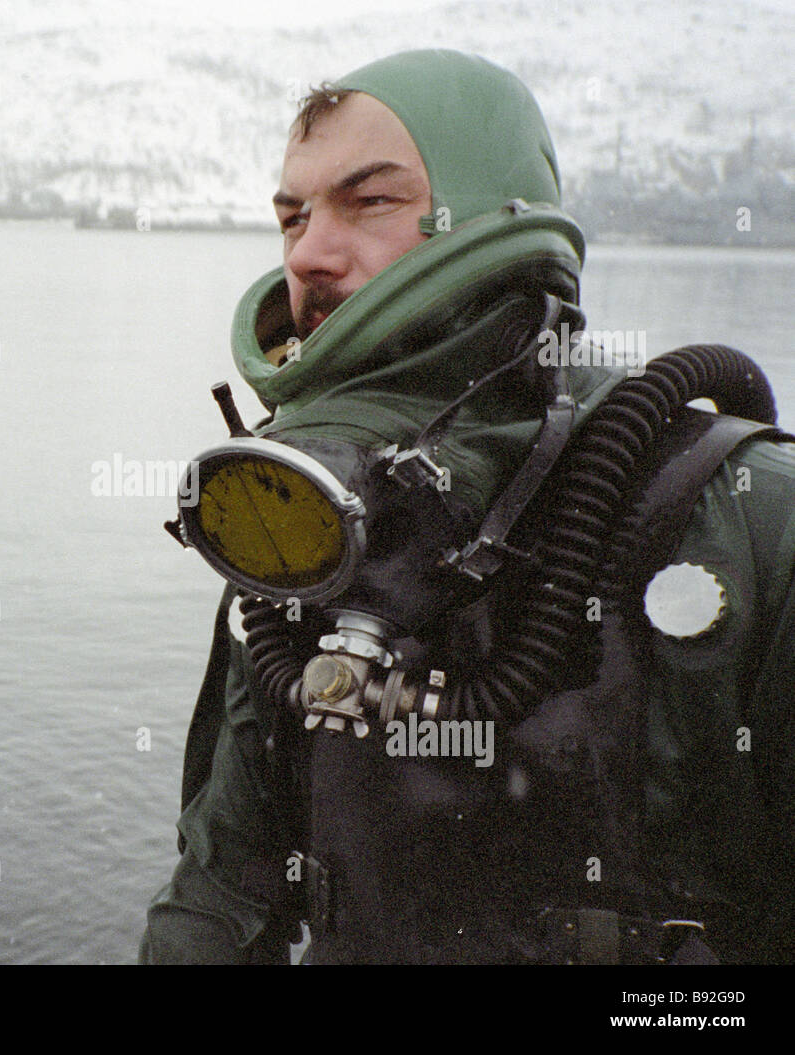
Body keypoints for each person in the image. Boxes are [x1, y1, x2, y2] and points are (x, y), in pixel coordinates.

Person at [140, 49, 795, 964]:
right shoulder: (295, 539)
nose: (306, 254)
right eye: (291, 217)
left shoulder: (750, 521)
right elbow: (221, 896)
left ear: (496, 225)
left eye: (367, 202)